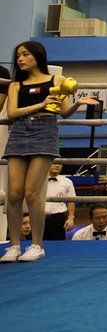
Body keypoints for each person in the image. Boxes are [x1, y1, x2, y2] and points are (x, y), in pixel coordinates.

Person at [1, 42, 98, 262]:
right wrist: (41, 104)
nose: (20, 59)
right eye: (18, 55)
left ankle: (37, 245)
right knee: (14, 193)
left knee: (32, 193)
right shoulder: (15, 85)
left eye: (25, 54)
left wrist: (78, 103)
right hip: (19, 132)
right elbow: (12, 113)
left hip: (44, 132)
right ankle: (14, 245)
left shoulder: (57, 80)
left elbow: (64, 112)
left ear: (37, 56)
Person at [43, 162, 76, 240]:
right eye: (54, 163)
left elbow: (71, 201)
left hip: (58, 219)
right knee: (36, 243)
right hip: (38, 217)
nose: (57, 165)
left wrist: (71, 218)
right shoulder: (38, 180)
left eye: (60, 164)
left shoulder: (67, 181)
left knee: (58, 243)